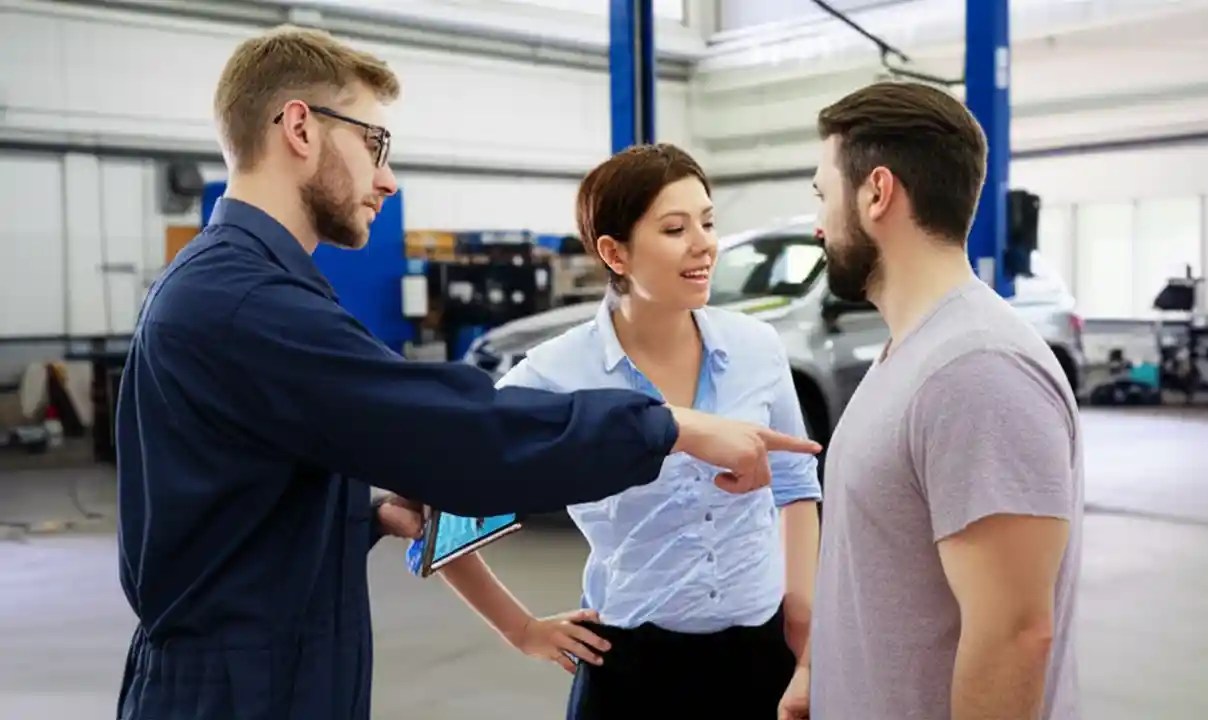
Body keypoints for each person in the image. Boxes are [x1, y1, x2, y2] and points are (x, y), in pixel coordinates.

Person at [112, 26, 820, 720]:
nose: (385, 177)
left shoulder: (247, 289)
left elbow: (240, 492)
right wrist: (669, 427)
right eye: (373, 142)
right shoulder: (245, 302)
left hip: (266, 674)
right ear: (299, 126)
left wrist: (367, 512)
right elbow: (467, 436)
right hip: (240, 693)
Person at [436, 144, 822, 720]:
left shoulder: (757, 349)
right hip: (632, 666)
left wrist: (803, 616)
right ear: (614, 253)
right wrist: (522, 629)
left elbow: (795, 485)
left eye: (708, 222)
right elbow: (445, 515)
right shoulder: (553, 375)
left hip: (761, 652)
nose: (704, 244)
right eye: (675, 228)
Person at [781, 81, 1084, 720]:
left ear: (876, 192)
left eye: (822, 193)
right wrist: (820, 673)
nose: (817, 223)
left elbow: (1014, 635)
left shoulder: (976, 369)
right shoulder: (913, 351)